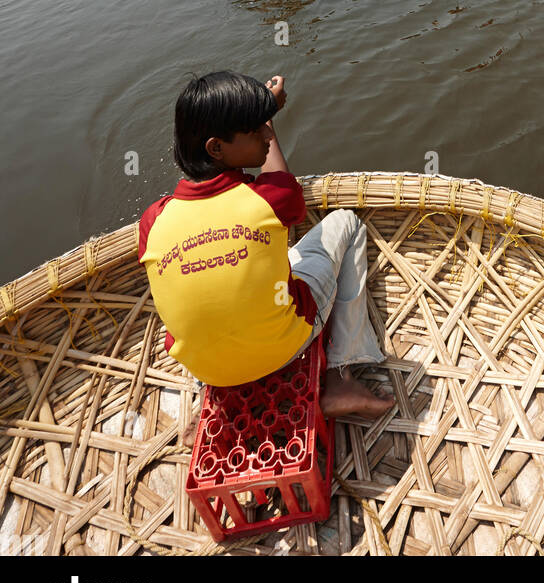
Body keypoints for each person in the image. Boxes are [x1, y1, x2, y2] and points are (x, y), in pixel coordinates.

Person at [138, 71, 394, 423]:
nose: (266, 135)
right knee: (347, 223)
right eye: (257, 130)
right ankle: (341, 377)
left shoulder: (154, 220)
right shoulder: (268, 199)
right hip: (283, 347)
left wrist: (258, 115)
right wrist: (269, 115)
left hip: (209, 370)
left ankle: (207, 397)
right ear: (215, 147)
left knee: (207, 288)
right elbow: (281, 180)